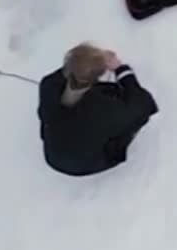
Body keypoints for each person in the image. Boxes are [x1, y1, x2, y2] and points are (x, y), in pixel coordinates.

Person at [37, 42, 160, 177]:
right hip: (83, 164)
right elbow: (145, 103)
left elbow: (76, 68)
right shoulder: (103, 109)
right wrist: (120, 69)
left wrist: (91, 62)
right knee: (135, 113)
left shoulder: (48, 84)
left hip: (53, 156)